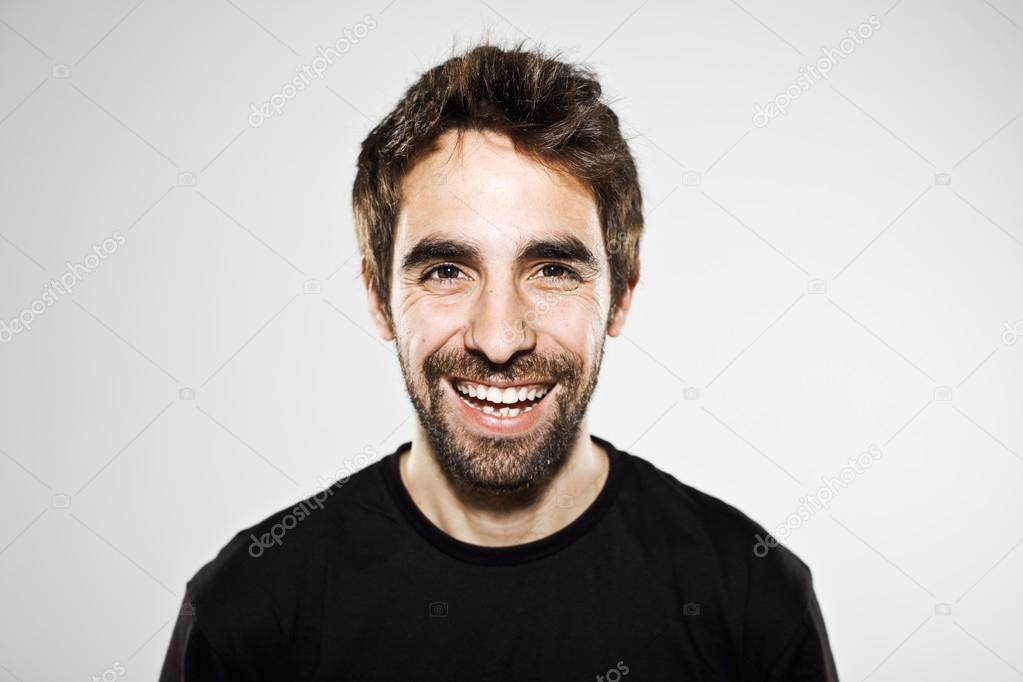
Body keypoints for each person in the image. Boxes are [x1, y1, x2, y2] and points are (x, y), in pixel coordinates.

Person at [160, 41, 839, 681]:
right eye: (447, 270)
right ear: (377, 298)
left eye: (550, 270)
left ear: (621, 296)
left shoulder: (749, 595)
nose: (498, 337)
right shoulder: (251, 607)